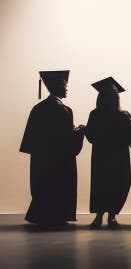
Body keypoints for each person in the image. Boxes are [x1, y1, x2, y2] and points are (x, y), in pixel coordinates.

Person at [20, 70, 84, 226]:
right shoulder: (65, 110)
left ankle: (43, 215)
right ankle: (58, 215)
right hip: (60, 159)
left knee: (44, 185)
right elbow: (67, 140)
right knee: (59, 185)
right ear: (56, 86)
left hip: (42, 158)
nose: (67, 88)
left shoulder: (38, 108)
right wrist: (79, 132)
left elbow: (32, 138)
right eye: (64, 84)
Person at [85, 77, 131, 229]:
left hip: (102, 155)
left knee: (101, 184)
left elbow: (91, 136)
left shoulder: (95, 114)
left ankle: (99, 216)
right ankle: (111, 215)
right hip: (118, 156)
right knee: (117, 184)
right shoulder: (124, 115)